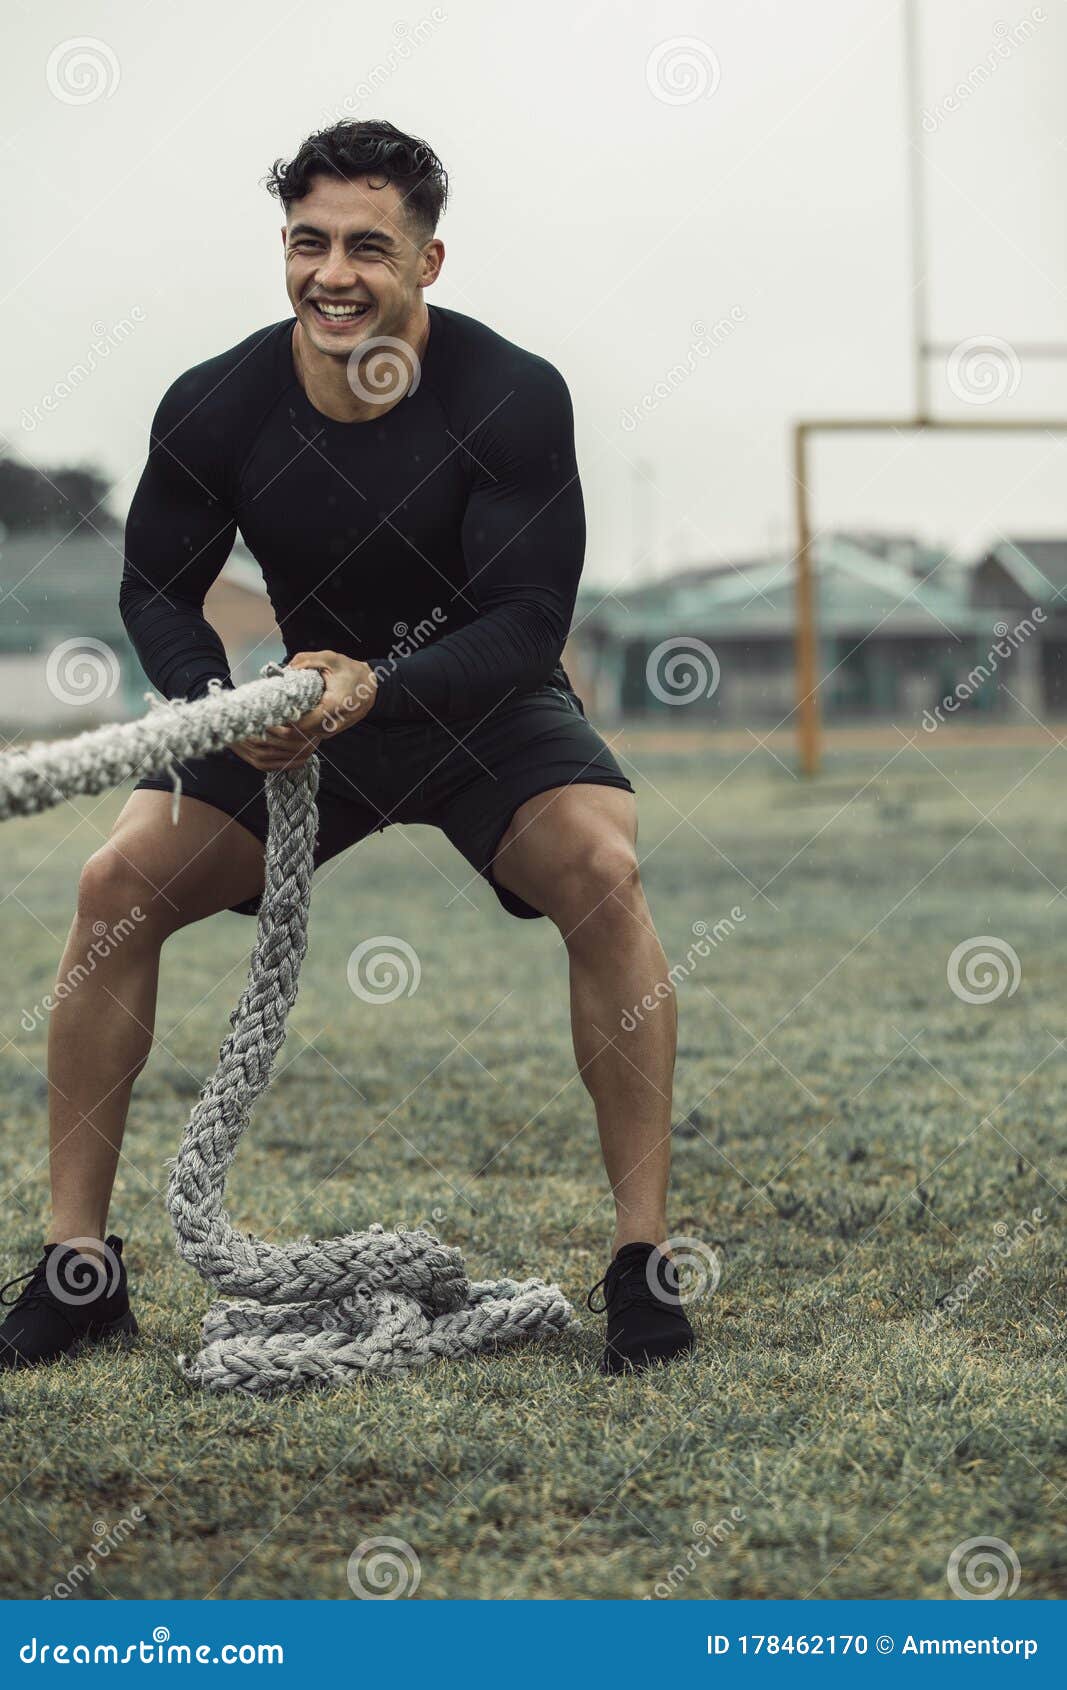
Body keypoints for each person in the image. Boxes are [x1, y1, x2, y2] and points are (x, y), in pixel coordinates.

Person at [0, 120, 693, 1378]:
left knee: (603, 870)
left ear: (428, 261)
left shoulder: (510, 394)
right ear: (284, 249)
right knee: (111, 887)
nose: (334, 273)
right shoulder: (215, 400)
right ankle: (75, 1270)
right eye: (308, 242)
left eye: (368, 246)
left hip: (475, 702)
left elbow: (527, 616)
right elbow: (159, 591)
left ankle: (639, 1263)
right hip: (297, 709)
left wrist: (377, 684)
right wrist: (222, 699)